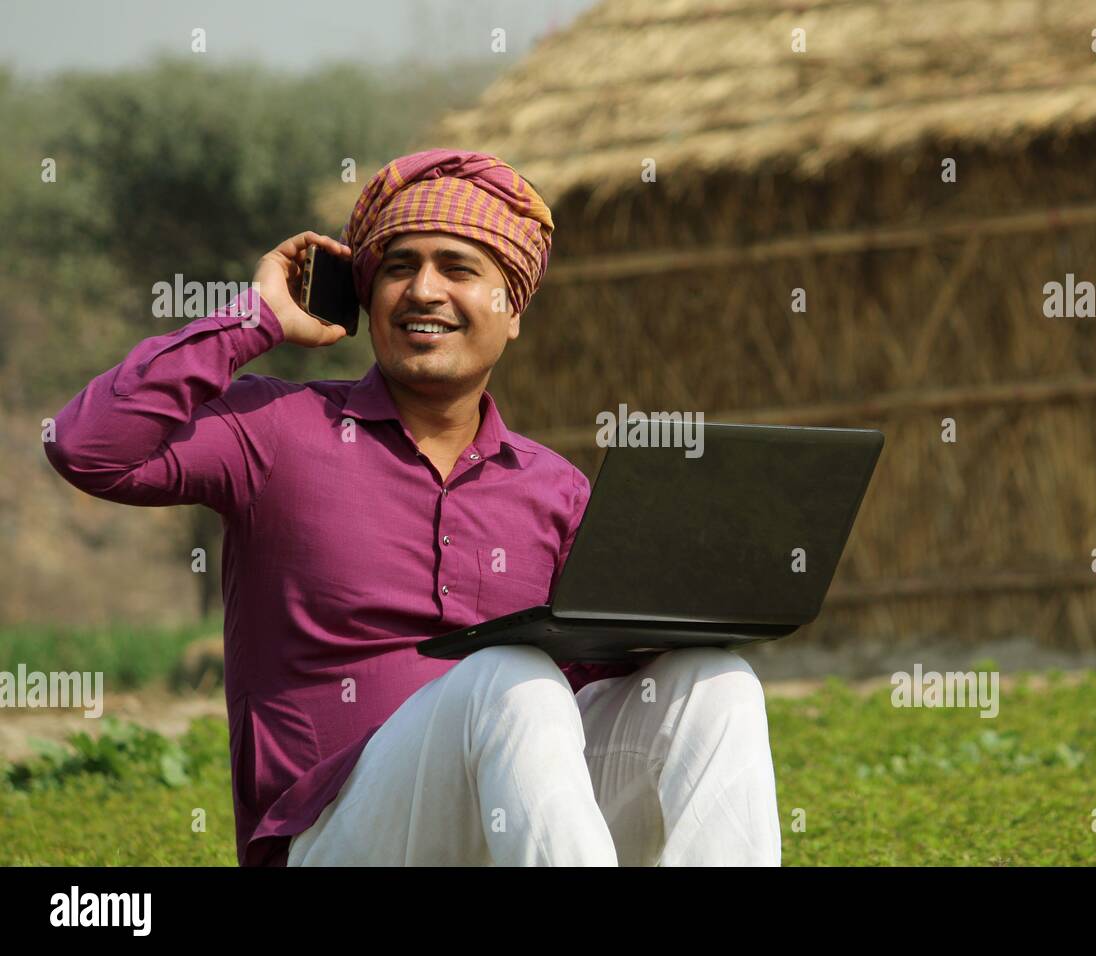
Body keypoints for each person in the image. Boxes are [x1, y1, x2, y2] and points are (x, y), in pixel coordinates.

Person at [43, 148, 781, 866]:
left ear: (512, 309)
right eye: (399, 267)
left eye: (458, 268)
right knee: (510, 676)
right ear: (367, 297)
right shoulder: (274, 429)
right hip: (332, 834)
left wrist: (662, 635)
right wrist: (253, 320)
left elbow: (579, 704)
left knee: (710, 684)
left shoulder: (554, 488)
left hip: (517, 827)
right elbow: (88, 447)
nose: (424, 291)